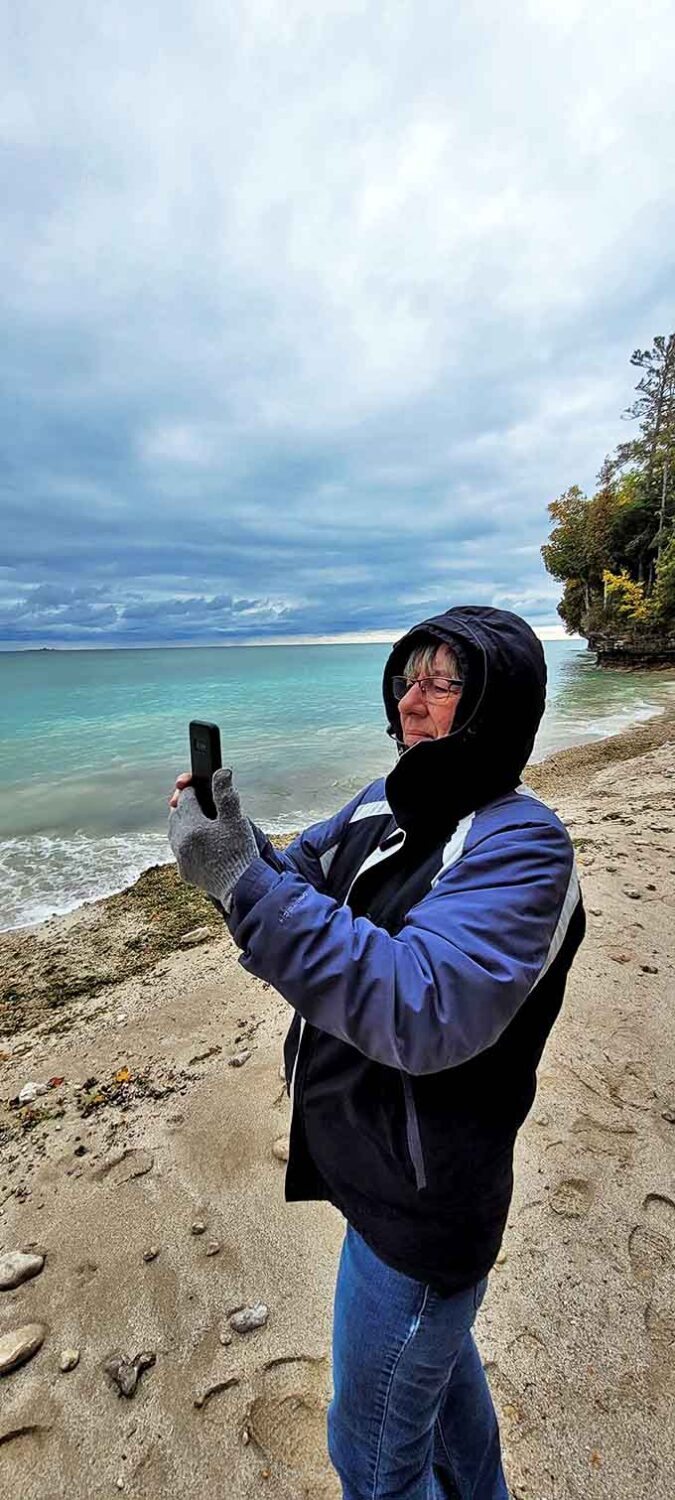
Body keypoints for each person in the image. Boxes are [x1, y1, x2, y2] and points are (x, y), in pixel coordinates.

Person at [168, 605, 585, 1500]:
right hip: (374, 1168)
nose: (410, 701)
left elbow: (421, 1004)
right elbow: (300, 883)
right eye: (406, 678)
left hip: (425, 1207)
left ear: (496, 706)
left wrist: (241, 883)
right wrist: (238, 847)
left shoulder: (523, 846)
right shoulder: (384, 799)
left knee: (373, 1466)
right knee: (445, 1424)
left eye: (443, 683)